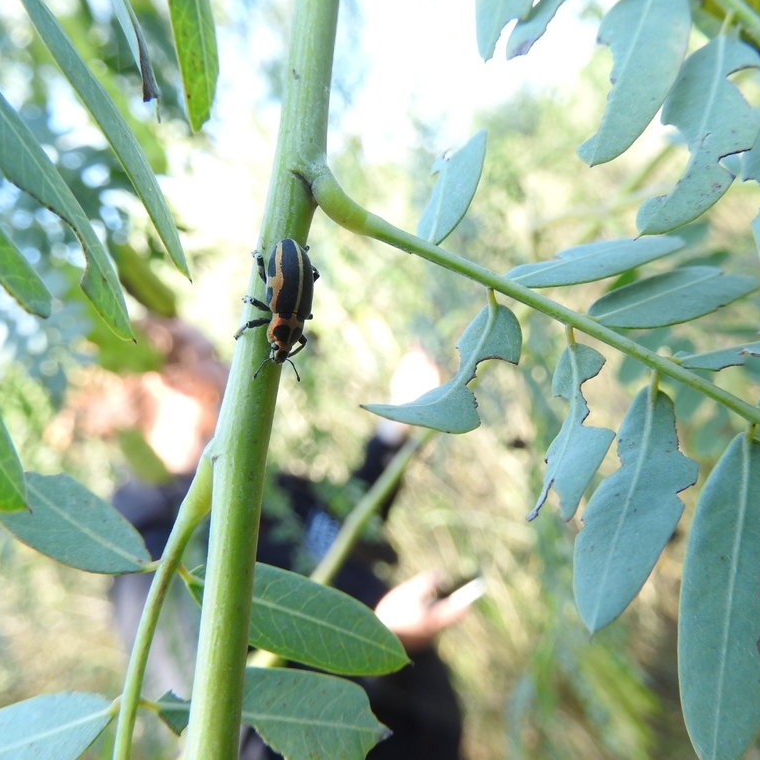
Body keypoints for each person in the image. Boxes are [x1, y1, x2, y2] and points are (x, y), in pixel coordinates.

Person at [77, 317, 469, 758]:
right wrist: (378, 639)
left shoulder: (256, 489)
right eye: (210, 357)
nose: (230, 368)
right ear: (164, 382)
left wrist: (398, 423)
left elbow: (341, 529)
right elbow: (231, 726)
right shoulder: (153, 552)